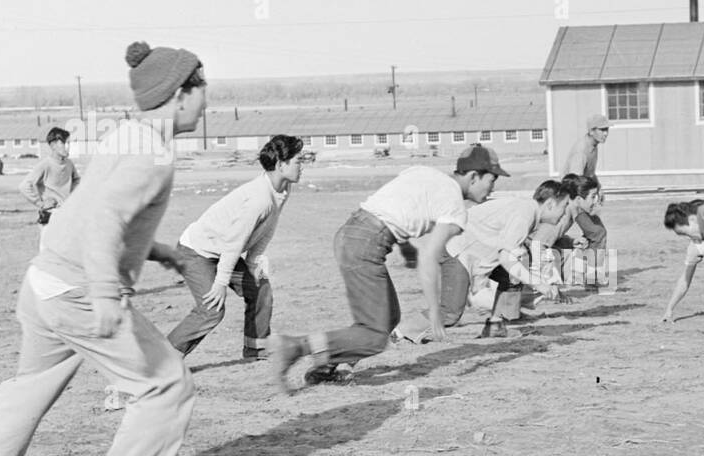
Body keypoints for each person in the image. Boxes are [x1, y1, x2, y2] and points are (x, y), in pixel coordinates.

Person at [0, 40, 207, 456]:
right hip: (79, 292)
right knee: (166, 381)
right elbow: (104, 221)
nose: (206, 101)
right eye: (202, 90)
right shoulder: (151, 154)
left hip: (44, 282)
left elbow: (95, 209)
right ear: (180, 95)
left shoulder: (126, 136)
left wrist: (158, 250)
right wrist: (108, 295)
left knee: (29, 387)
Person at [269, 144, 506, 391]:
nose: (493, 187)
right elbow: (428, 257)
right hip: (367, 243)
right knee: (374, 337)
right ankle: (296, 347)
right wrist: (436, 310)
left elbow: (392, 205)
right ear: (474, 176)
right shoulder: (456, 206)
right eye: (492, 179)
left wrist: (401, 247)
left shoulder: (424, 172)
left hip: (352, 231)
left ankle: (326, 367)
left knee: (389, 317)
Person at [165, 135, 304, 361]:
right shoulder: (259, 198)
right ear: (281, 165)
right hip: (195, 251)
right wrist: (221, 283)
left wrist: (252, 264)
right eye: (298, 161)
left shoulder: (282, 190)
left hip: (222, 251)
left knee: (260, 288)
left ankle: (256, 350)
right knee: (211, 310)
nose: (302, 166)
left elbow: (267, 228)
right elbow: (234, 242)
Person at [400, 180, 572, 341]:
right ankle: (400, 331)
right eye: (564, 206)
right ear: (550, 204)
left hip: (466, 249)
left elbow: (511, 246)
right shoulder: (524, 214)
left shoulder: (527, 209)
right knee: (450, 313)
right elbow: (507, 258)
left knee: (513, 276)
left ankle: (496, 326)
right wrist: (539, 284)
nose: (565, 212)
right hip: (457, 250)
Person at [21, 127, 80, 241]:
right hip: (50, 216)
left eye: (69, 143)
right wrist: (41, 203)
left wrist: (71, 198)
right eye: (65, 143)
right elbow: (24, 186)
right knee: (48, 253)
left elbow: (77, 180)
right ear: (53, 145)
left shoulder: (69, 164)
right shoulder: (45, 165)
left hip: (66, 214)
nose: (68, 147)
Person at [561, 115, 610, 249]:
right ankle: (591, 268)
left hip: (581, 197)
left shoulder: (593, 145)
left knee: (597, 233)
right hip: (572, 199)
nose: (606, 133)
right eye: (602, 130)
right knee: (597, 233)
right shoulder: (581, 151)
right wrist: (588, 205)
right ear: (591, 131)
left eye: (607, 129)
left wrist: (599, 188)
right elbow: (575, 183)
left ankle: (589, 266)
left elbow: (590, 174)